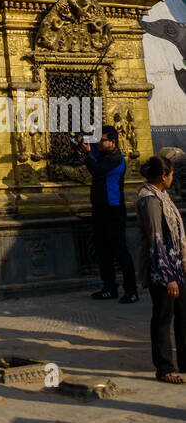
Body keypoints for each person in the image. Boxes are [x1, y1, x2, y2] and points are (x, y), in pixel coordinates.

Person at [136, 155, 186, 384]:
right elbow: (156, 239)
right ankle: (164, 368)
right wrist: (168, 277)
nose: (172, 178)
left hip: (178, 266)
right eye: (171, 174)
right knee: (163, 318)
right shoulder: (150, 200)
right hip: (162, 270)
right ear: (162, 176)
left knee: (183, 315)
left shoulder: (162, 195)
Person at [80, 125, 138, 302]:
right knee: (102, 249)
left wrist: (88, 154)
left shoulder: (115, 159)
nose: (99, 142)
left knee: (120, 250)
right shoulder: (103, 155)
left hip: (113, 209)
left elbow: (96, 170)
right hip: (100, 208)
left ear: (113, 142)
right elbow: (88, 148)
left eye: (103, 140)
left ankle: (131, 290)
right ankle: (109, 287)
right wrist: (88, 133)